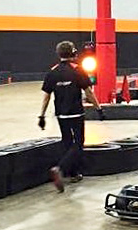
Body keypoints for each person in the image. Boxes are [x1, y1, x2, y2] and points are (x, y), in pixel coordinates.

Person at [39, 40, 104, 191]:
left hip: (61, 114)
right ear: (73, 53)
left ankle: (73, 174)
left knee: (67, 142)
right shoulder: (78, 70)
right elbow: (88, 92)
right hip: (76, 112)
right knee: (79, 142)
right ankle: (60, 169)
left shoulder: (52, 72)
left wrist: (41, 116)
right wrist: (99, 109)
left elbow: (46, 96)